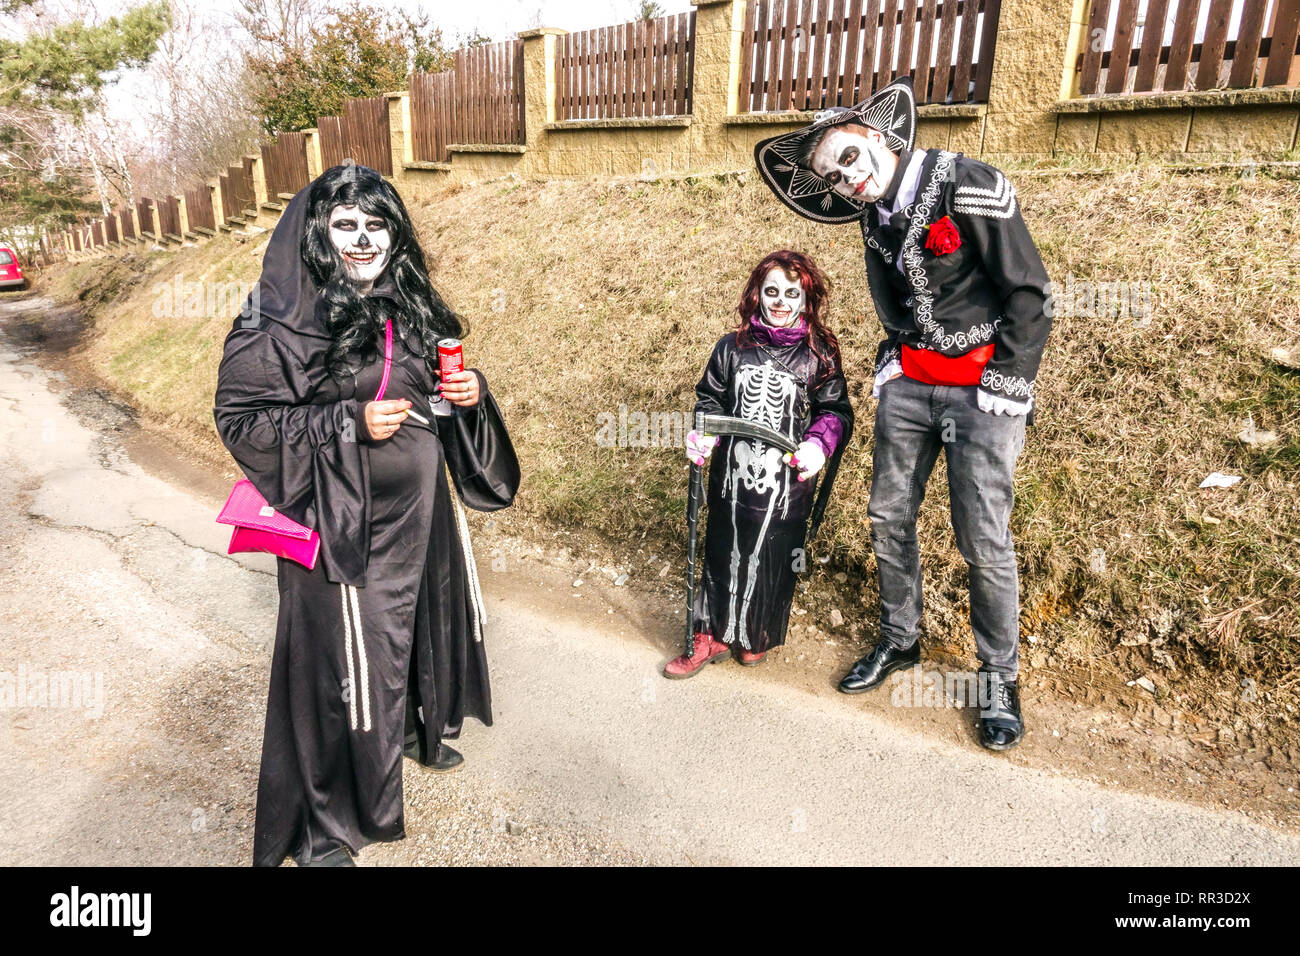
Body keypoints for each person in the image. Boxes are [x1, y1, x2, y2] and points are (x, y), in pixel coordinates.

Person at [214, 163, 502, 866]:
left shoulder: (410, 301)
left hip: (419, 517)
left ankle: (410, 734)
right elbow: (242, 418)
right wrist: (347, 424)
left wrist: (466, 395)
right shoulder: (278, 315)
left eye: (378, 224)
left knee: (415, 628)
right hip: (337, 517)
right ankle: (325, 829)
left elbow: (428, 389)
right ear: (318, 232)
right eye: (346, 225)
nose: (364, 239)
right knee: (342, 661)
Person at [754, 78, 1053, 750]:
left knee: (983, 538)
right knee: (889, 514)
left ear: (876, 138)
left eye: (849, 162)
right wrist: (892, 359)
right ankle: (900, 639)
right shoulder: (871, 215)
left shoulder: (967, 182)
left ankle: (998, 679)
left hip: (984, 393)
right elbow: (896, 298)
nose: (847, 182)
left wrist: (1008, 381)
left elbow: (1031, 292)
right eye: (833, 178)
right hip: (911, 388)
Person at [664, 250, 853, 678]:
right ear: (757, 295)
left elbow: (835, 410)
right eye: (772, 292)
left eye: (792, 292)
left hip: (785, 480)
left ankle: (756, 635)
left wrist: (819, 444)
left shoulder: (818, 354)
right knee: (721, 548)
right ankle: (709, 634)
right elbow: (709, 398)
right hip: (731, 474)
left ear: (807, 298)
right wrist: (702, 431)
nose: (781, 301)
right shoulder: (731, 347)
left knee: (772, 552)